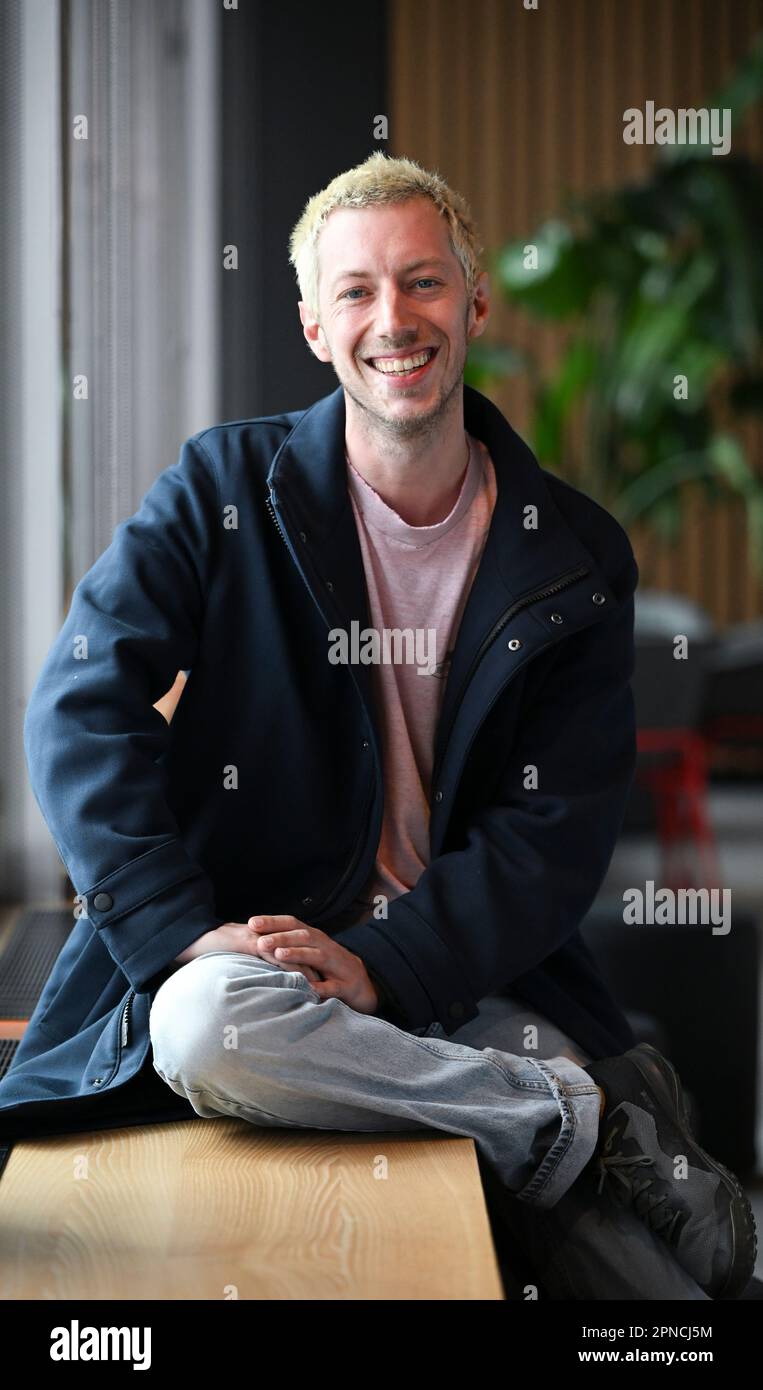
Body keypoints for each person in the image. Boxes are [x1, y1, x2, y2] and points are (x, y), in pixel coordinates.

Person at [1, 153, 755, 1300]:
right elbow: (79, 706)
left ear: (475, 300)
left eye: (422, 283)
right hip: (262, 976)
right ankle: (582, 1125)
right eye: (355, 291)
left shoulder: (575, 551)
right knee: (201, 1025)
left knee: (656, 1284)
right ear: (313, 326)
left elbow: (551, 835)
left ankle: (577, 1143)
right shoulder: (224, 486)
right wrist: (176, 927)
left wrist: (386, 962)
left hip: (469, 970)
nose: (392, 319)